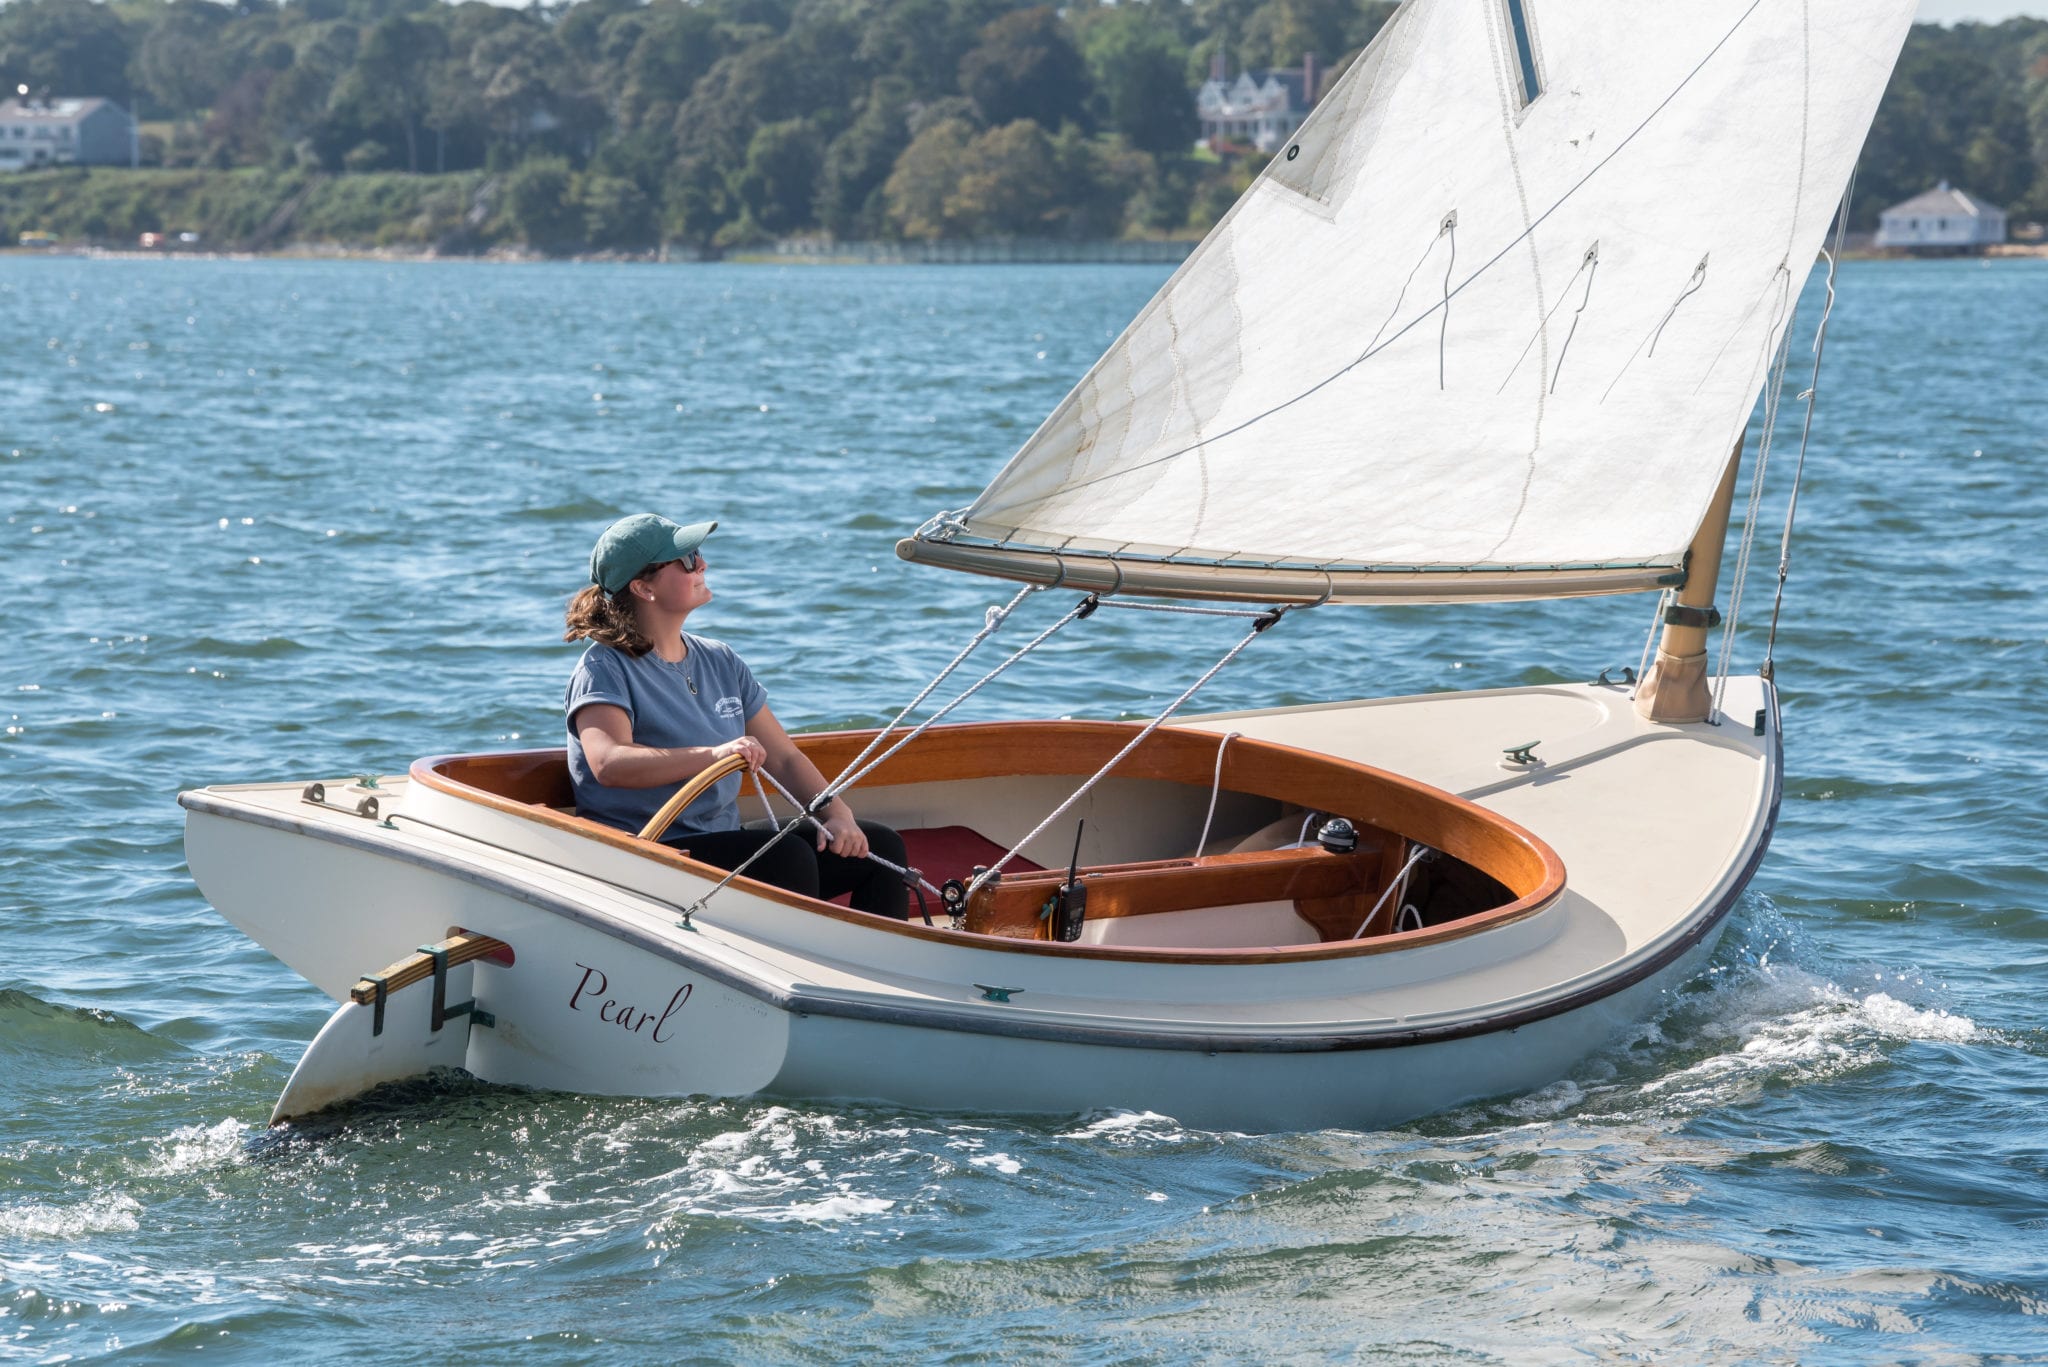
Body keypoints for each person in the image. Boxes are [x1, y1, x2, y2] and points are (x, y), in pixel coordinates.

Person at [562, 513, 910, 919]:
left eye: (698, 554)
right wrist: (714, 755)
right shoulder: (604, 667)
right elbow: (609, 763)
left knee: (879, 846)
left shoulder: (720, 659)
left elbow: (784, 759)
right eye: (687, 560)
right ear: (642, 587)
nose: (702, 564)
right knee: (786, 859)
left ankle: (883, 972)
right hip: (646, 854)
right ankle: (795, 973)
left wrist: (836, 813)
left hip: (716, 840)